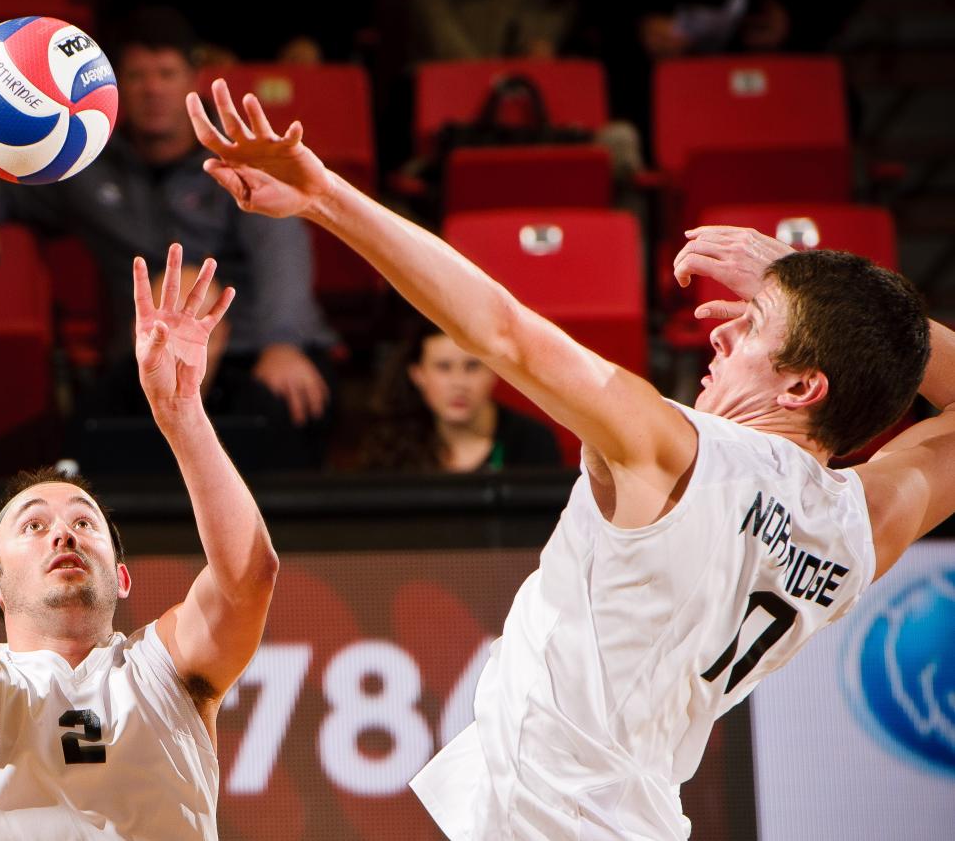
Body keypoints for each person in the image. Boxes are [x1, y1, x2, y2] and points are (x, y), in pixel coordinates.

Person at [186, 81, 952, 838]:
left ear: (803, 385)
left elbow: (503, 332)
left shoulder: (675, 449)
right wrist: (829, 304)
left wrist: (325, 198)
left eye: (751, 326)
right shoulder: (866, 521)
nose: (717, 333)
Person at [0, 239, 279, 839]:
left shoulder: (163, 675)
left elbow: (249, 577)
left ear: (121, 575)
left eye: (85, 522)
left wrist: (182, 410)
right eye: (33, 524)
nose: (63, 530)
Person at [0, 7, 337, 444]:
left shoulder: (243, 153)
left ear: (193, 79)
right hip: (140, 361)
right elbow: (11, 190)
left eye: (166, 74)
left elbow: (282, 253)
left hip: (254, 349)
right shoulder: (85, 162)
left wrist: (283, 344)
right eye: (137, 76)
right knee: (80, 443)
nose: (153, 90)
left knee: (288, 412)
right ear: (113, 87)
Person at [78, 263, 323, 472]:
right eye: (165, 331)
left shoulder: (259, 404)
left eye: (201, 335)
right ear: (136, 333)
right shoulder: (100, 404)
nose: (181, 352)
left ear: (224, 335)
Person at [360, 316, 558, 472]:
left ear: (494, 372)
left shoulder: (533, 442)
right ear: (418, 374)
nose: (459, 383)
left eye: (472, 366)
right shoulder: (390, 447)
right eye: (444, 367)